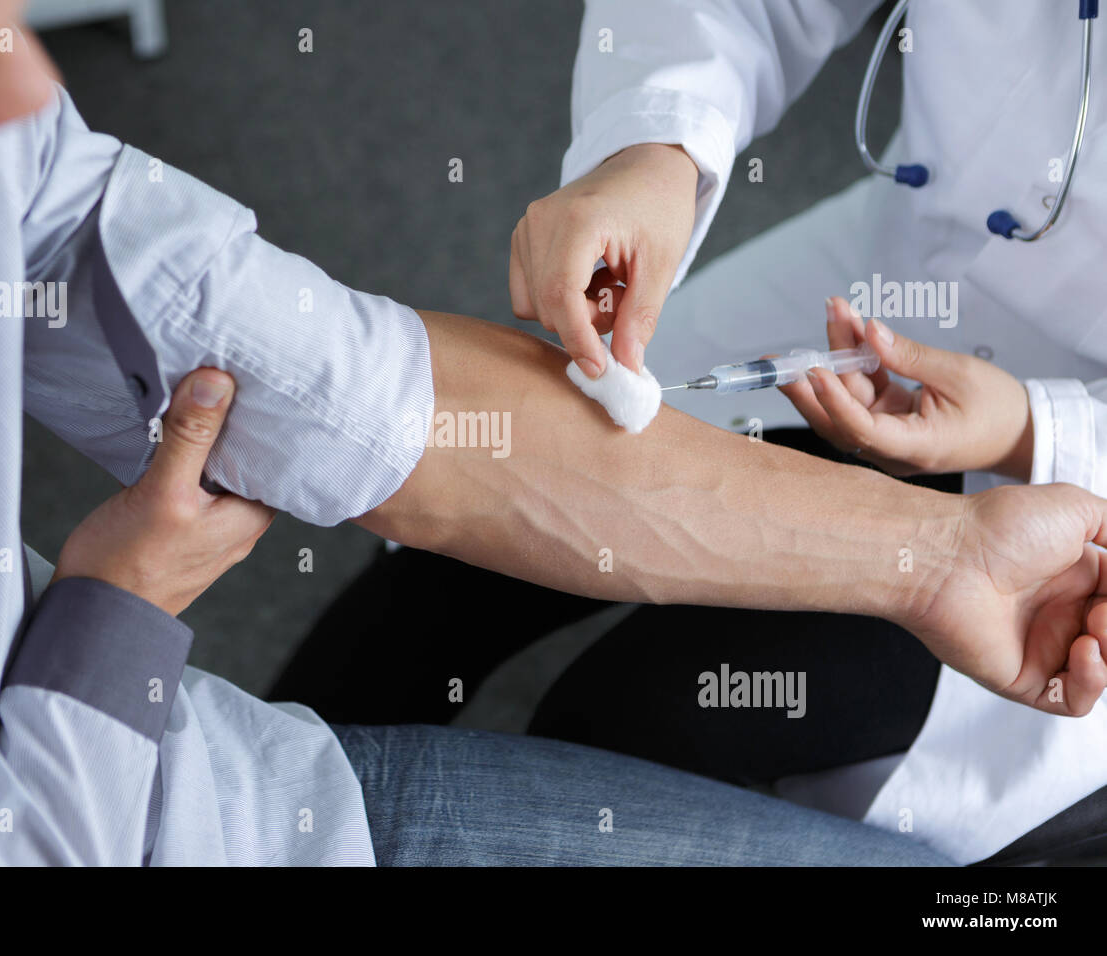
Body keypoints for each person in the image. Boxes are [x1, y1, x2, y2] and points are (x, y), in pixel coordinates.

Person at [0, 0, 1104, 866]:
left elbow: (366, 404)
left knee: (557, 638)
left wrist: (955, 541)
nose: (29, 70)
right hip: (160, 811)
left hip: (251, 786)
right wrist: (109, 630)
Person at [277, 0, 1107, 864]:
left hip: (1079, 513)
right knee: (453, 535)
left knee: (629, 719)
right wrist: (655, 150)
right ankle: (253, 814)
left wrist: (1026, 425)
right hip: (903, 275)